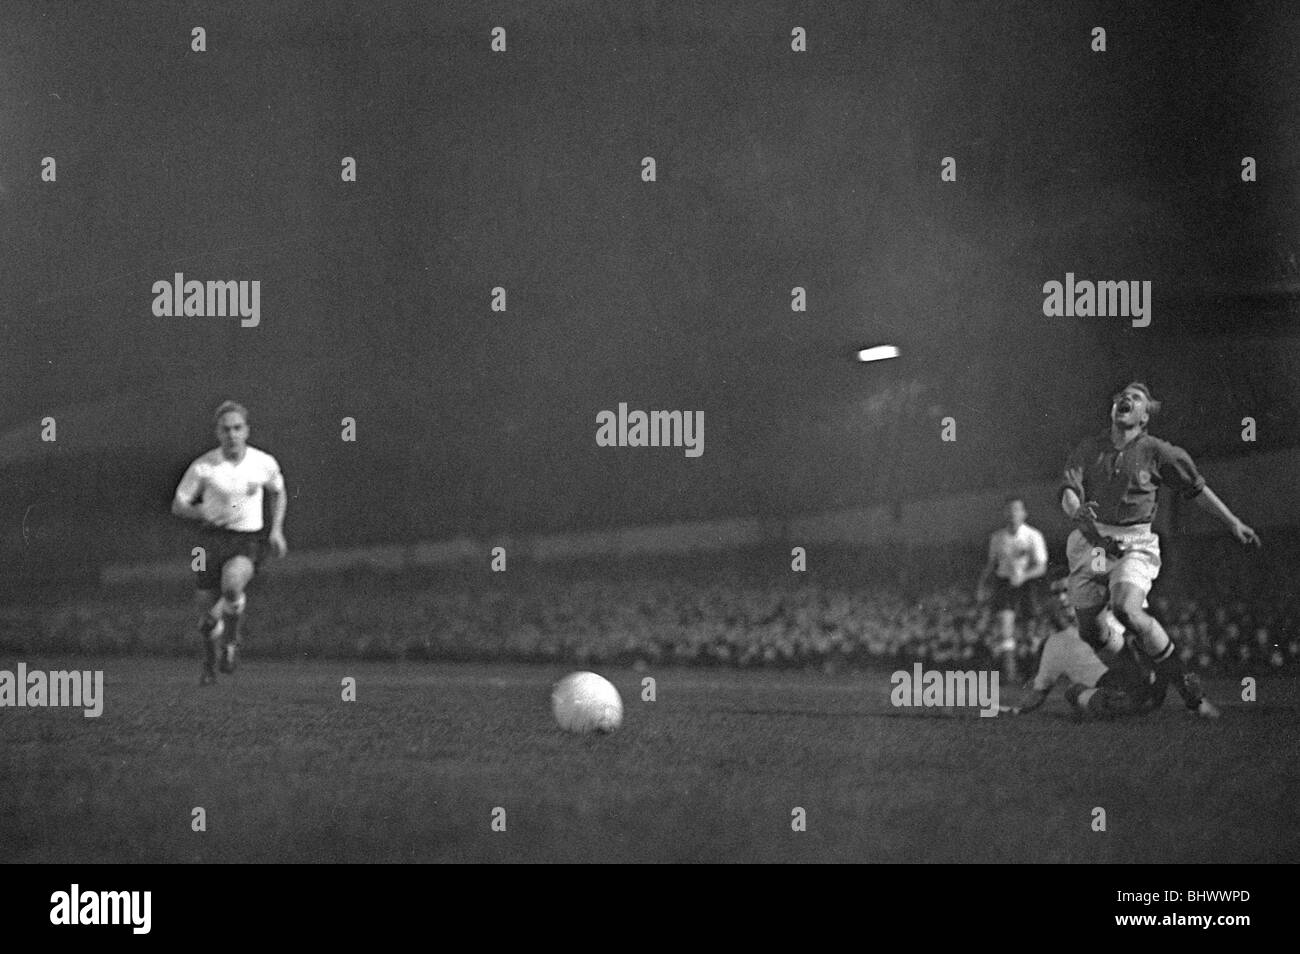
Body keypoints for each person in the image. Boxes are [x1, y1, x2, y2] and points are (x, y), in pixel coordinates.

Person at [1059, 382, 1260, 718]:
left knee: (1125, 608)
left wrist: (1233, 521)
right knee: (1090, 631)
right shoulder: (1089, 448)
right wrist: (1075, 509)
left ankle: (1191, 692)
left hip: (1132, 542)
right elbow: (1069, 488)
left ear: (1145, 415)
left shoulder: (1158, 451)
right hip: (1089, 541)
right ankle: (1137, 680)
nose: (1125, 398)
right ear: (1113, 408)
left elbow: (1196, 489)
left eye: (1135, 397)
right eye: (1121, 395)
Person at [172, 401, 288, 684]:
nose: (232, 434)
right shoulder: (204, 466)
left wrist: (276, 530)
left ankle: (231, 643)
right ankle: (211, 663)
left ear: (246, 431)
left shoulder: (263, 462)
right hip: (210, 541)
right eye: (226, 429)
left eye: (237, 428)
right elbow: (178, 504)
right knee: (207, 618)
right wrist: (199, 511)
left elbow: (279, 492)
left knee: (232, 585)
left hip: (247, 539)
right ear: (218, 433)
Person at [1005, 577, 1164, 718]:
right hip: (1103, 693)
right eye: (1056, 593)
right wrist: (1013, 710)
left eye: (1067, 590)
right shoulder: (1055, 643)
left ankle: (1131, 696)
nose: (1061, 598)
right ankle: (1119, 702)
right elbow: (1039, 693)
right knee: (1073, 692)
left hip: (1134, 680)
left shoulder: (1114, 620)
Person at [976, 497, 1048, 682]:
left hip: (1027, 584)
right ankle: (1010, 674)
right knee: (1005, 629)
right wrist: (983, 584)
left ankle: (1033, 673)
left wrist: (1024, 576)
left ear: (1024, 513)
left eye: (1017, 510)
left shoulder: (1033, 536)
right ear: (1004, 514)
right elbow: (991, 565)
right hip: (1005, 583)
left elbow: (1041, 567)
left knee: (1029, 633)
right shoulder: (997, 538)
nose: (1013, 514)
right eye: (1009, 510)